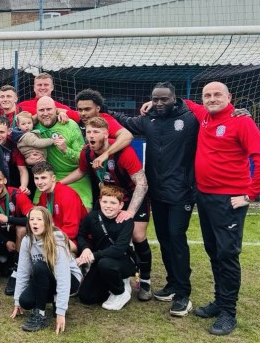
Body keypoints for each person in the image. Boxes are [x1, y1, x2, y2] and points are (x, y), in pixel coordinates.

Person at [185, 81, 260, 335]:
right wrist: (155, 103)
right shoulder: (204, 116)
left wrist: (250, 194)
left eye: (217, 95)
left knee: (227, 255)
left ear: (229, 97)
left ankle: (228, 313)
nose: (211, 99)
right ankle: (219, 301)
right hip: (204, 196)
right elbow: (187, 104)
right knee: (214, 251)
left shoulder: (242, 121)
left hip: (229, 201)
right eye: (207, 95)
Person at [109, 82, 198, 317]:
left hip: (182, 193)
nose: (159, 103)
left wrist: (241, 112)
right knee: (165, 239)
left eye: (164, 99)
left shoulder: (190, 119)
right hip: (157, 193)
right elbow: (123, 121)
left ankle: (183, 294)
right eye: (155, 99)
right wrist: (102, 107)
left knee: (177, 239)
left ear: (174, 99)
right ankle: (171, 283)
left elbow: (213, 114)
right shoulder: (149, 120)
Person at [62, 116, 154, 301]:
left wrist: (129, 212)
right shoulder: (87, 152)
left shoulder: (123, 152)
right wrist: (59, 184)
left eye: (96, 132)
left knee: (137, 235)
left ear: (106, 134)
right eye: (88, 132)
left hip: (132, 196)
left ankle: (145, 279)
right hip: (107, 197)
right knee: (95, 230)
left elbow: (142, 183)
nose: (91, 136)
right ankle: (98, 268)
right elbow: (81, 171)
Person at [11, 206, 82, 333]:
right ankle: (54, 298)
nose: (34, 222)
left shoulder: (57, 242)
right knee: (25, 301)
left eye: (39, 219)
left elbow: (63, 278)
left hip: (71, 279)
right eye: (32, 219)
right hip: (45, 277)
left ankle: (40, 314)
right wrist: (17, 300)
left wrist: (61, 312)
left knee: (39, 266)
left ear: (47, 222)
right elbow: (22, 271)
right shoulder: (27, 240)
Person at [75, 185, 138, 311]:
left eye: (113, 203)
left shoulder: (126, 221)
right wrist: (85, 248)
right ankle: (110, 284)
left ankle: (121, 290)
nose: (108, 206)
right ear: (100, 202)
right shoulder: (92, 217)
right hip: (100, 261)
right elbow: (81, 235)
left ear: (120, 205)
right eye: (105, 201)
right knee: (86, 297)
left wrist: (93, 256)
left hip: (122, 260)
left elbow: (119, 248)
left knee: (105, 263)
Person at [0, 167, 33, 295]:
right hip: (2, 238)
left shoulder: (17, 195)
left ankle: (16, 273)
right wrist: (5, 242)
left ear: (5, 180)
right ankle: (3, 258)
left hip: (19, 235)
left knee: (21, 229)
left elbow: (33, 220)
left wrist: (8, 219)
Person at [34, 97, 92, 208]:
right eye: (41, 110)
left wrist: (65, 149)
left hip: (75, 176)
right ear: (36, 112)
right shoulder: (32, 127)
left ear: (56, 109)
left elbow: (82, 160)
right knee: (36, 215)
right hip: (47, 177)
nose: (45, 113)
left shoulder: (70, 125)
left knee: (82, 214)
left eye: (49, 109)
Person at [73, 89, 134, 169]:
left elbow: (127, 136)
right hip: (88, 166)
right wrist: (61, 114)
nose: (83, 113)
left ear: (98, 108)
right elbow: (58, 109)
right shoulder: (78, 116)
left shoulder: (106, 121)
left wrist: (106, 154)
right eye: (80, 109)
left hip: (110, 168)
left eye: (87, 109)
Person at [31, 161, 87, 247]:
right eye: (36, 178)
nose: (39, 182)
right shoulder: (44, 195)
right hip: (54, 235)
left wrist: (48, 239)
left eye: (43, 178)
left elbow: (71, 230)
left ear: (53, 178)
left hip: (76, 240)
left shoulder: (67, 195)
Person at [0, 117, 28, 191]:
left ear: (9, 131)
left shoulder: (14, 146)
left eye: (1, 132)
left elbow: (22, 170)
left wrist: (23, 186)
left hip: (9, 181)